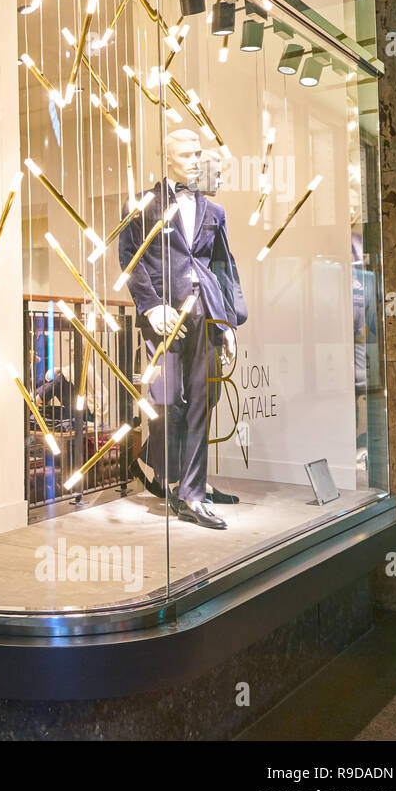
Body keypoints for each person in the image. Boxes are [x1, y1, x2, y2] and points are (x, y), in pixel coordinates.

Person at [118, 130, 245, 529]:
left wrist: (227, 323)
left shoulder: (214, 211)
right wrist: (152, 306)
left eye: (197, 154)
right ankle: (169, 478)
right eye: (186, 154)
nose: (195, 160)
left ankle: (192, 492)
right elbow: (129, 259)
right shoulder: (143, 204)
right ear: (167, 157)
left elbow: (223, 268)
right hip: (166, 318)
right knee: (167, 402)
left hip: (204, 312)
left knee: (202, 403)